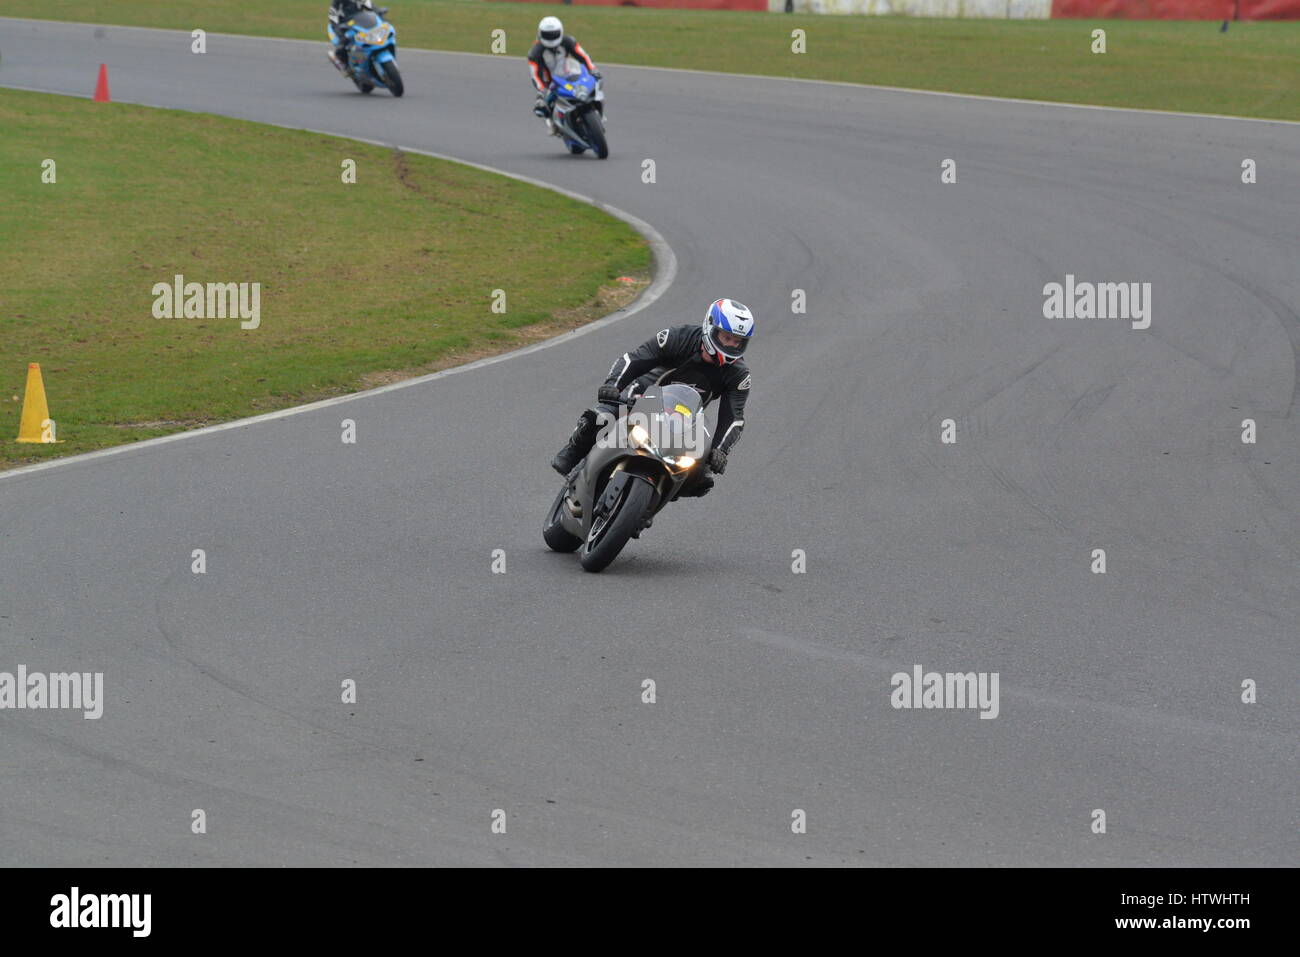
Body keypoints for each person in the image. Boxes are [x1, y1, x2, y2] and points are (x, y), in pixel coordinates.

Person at [550, 299, 755, 499]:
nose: (731, 345)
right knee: (599, 418)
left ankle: (648, 505)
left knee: (701, 477)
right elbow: (635, 359)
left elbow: (734, 417)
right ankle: (572, 452)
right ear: (710, 327)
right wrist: (613, 385)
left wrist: (720, 450)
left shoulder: (738, 374)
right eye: (726, 337)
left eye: (737, 341)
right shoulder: (678, 336)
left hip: (680, 422)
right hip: (639, 399)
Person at [527, 16, 601, 131]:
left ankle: (596, 111)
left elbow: (583, 56)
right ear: (540, 34)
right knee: (542, 107)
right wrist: (540, 92)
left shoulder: (568, 41)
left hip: (568, 75)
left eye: (553, 34)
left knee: (593, 86)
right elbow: (535, 75)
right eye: (547, 35)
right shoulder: (535, 52)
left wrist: (593, 69)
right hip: (549, 83)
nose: (551, 37)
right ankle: (553, 123)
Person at [329, 0, 377, 74]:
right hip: (345, 26)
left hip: (361, 23)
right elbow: (333, 18)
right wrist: (340, 34)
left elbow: (371, 7)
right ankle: (343, 63)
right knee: (345, 44)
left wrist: (379, 13)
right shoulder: (337, 3)